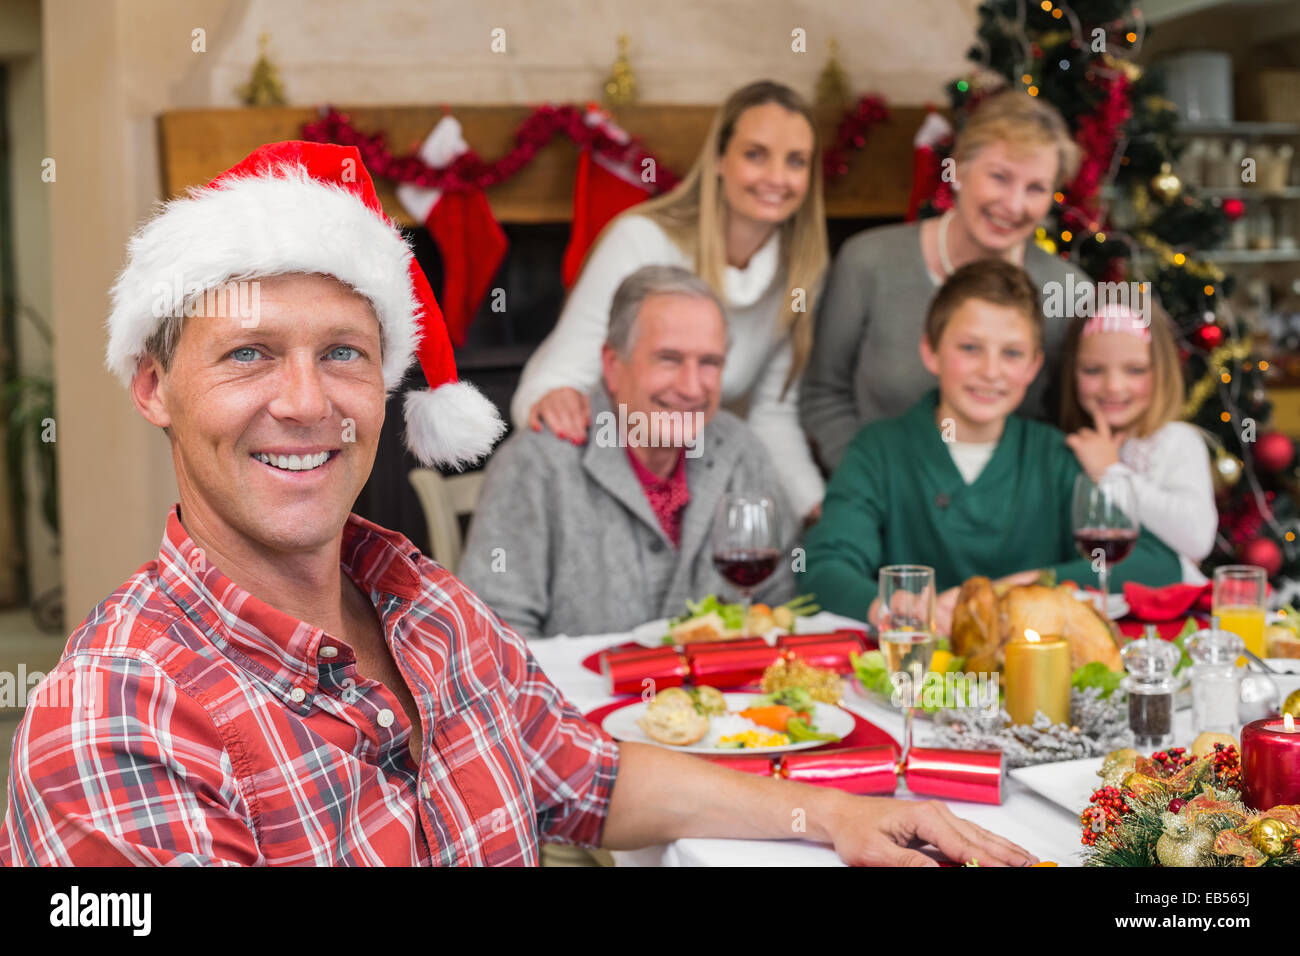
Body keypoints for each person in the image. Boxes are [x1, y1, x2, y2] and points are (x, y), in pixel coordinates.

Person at [0, 142, 1036, 867]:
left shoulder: (430, 606)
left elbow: (587, 773)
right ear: (152, 385)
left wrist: (834, 814)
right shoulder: (113, 719)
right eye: (249, 353)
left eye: (344, 353)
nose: (306, 402)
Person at [801, 260, 1181, 633]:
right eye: (970, 348)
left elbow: (1156, 563)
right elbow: (822, 566)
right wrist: (903, 608)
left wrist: (1034, 581)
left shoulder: (1054, 455)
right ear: (931, 351)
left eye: (1012, 353)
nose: (990, 371)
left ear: (1033, 366)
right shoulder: (879, 451)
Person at [510, 80, 828, 522]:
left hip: (697, 486)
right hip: (596, 481)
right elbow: (554, 382)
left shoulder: (801, 272)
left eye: (796, 161)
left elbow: (772, 416)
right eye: (755, 154)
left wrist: (820, 510)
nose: (776, 177)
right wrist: (553, 399)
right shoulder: (641, 241)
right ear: (719, 158)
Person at [461, 265, 797, 639]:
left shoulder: (742, 451)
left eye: (709, 363)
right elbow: (494, 640)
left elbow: (779, 608)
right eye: (669, 359)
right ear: (612, 366)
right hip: (575, 698)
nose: (691, 387)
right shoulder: (537, 464)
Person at [802, 90, 1091, 473]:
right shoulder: (867, 262)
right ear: (957, 171)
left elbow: (1072, 424)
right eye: (999, 177)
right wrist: (872, 487)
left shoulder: (1068, 292)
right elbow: (824, 394)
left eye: (1036, 188)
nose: (1014, 204)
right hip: (878, 499)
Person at [1060, 304, 1216, 583]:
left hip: (1172, 608)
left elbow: (1196, 538)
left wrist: (1110, 472)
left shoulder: (1177, 442)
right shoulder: (1074, 445)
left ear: (1162, 372)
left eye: (1134, 370)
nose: (1114, 386)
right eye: (1093, 370)